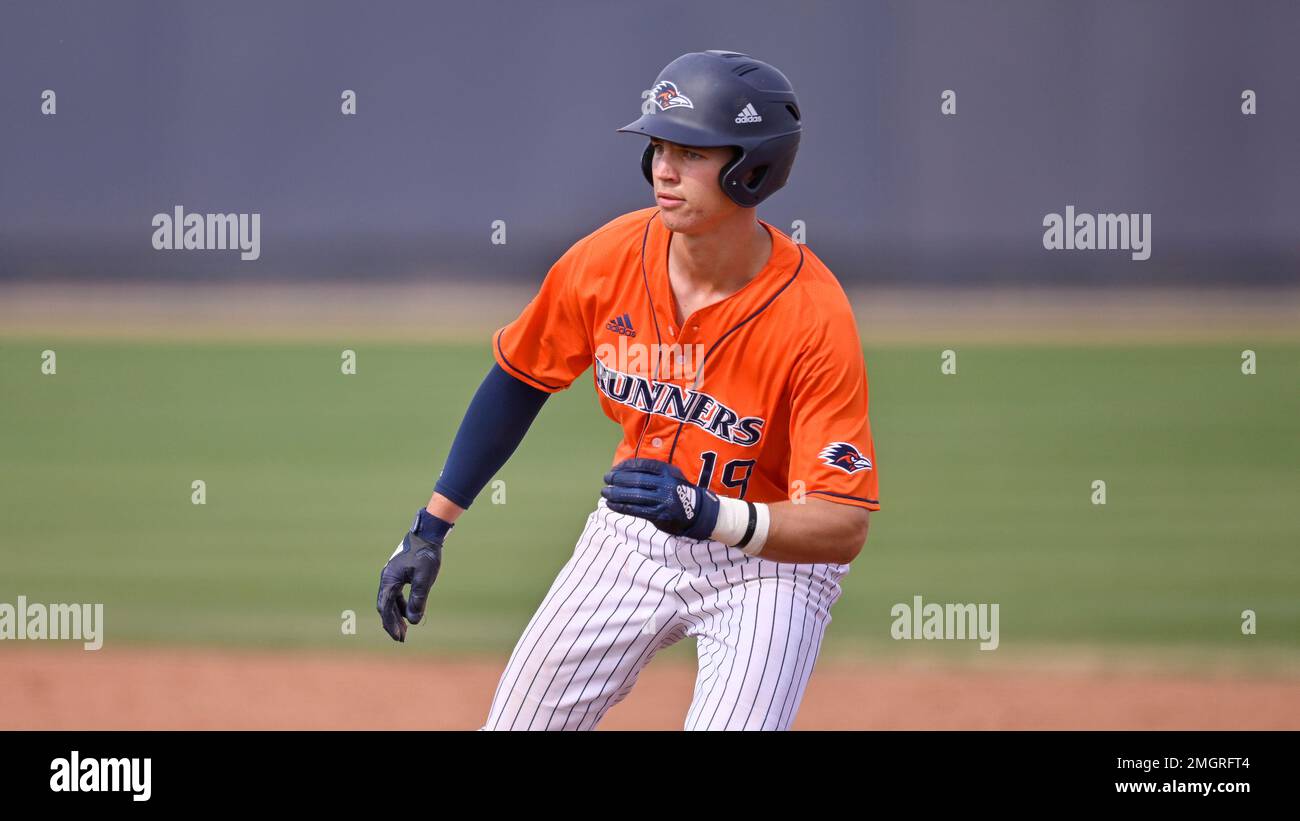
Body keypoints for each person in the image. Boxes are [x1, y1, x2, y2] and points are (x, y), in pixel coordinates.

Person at [377, 50, 880, 731]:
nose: (664, 170)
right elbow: (519, 380)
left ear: (752, 167)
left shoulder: (814, 315)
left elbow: (842, 523)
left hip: (768, 563)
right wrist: (428, 529)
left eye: (693, 152)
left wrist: (713, 516)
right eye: (659, 148)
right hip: (632, 543)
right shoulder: (605, 259)